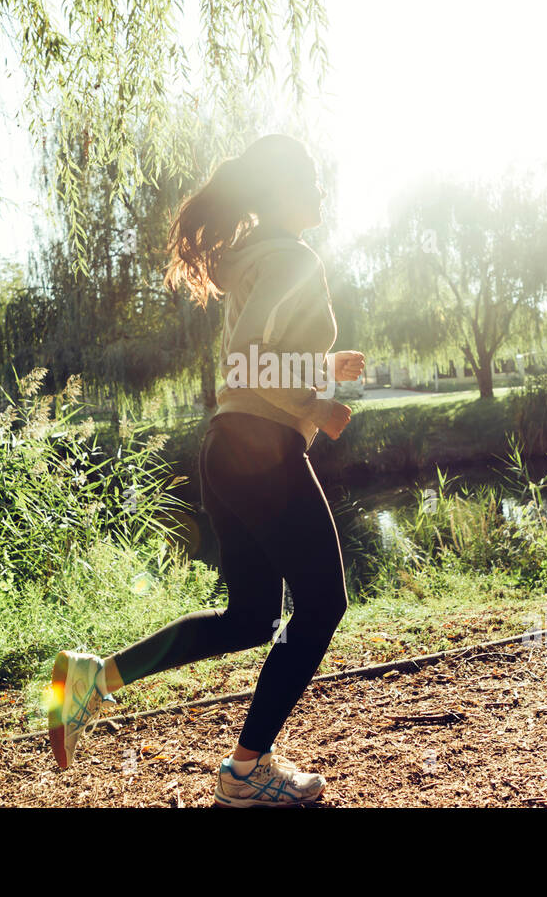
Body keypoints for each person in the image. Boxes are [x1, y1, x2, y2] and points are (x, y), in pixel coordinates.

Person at [46, 133, 364, 807]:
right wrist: (317, 403)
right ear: (281, 192)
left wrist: (323, 371)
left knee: (251, 617)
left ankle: (94, 679)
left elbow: (255, 355)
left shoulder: (258, 257)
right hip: (262, 448)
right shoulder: (290, 257)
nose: (320, 191)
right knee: (323, 603)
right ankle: (246, 772)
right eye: (308, 179)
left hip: (229, 446)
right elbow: (251, 358)